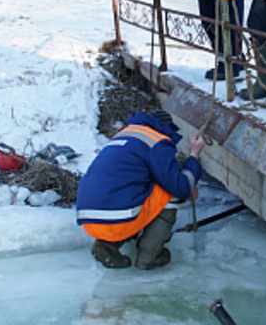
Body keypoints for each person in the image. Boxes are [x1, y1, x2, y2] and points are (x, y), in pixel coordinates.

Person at [75, 109, 205, 270]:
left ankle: (106, 244)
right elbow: (181, 188)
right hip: (117, 220)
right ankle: (149, 256)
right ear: (166, 128)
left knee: (133, 190)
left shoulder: (125, 135)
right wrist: (194, 156)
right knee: (171, 193)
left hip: (89, 219)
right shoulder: (157, 140)